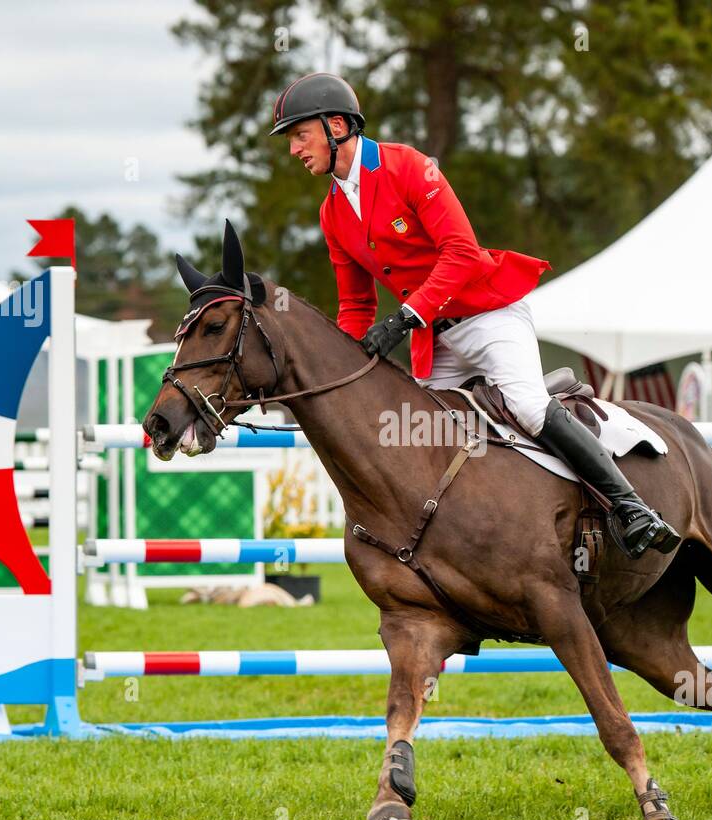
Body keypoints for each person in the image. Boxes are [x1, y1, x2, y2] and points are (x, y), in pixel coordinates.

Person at [270, 72, 679, 557]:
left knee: (526, 405)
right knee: (416, 431)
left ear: (336, 125)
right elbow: (356, 305)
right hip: (435, 340)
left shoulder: (409, 168)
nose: (295, 149)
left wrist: (404, 317)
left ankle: (630, 507)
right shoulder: (333, 212)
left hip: (489, 314)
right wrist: (340, 367)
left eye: (300, 135)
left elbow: (461, 252)